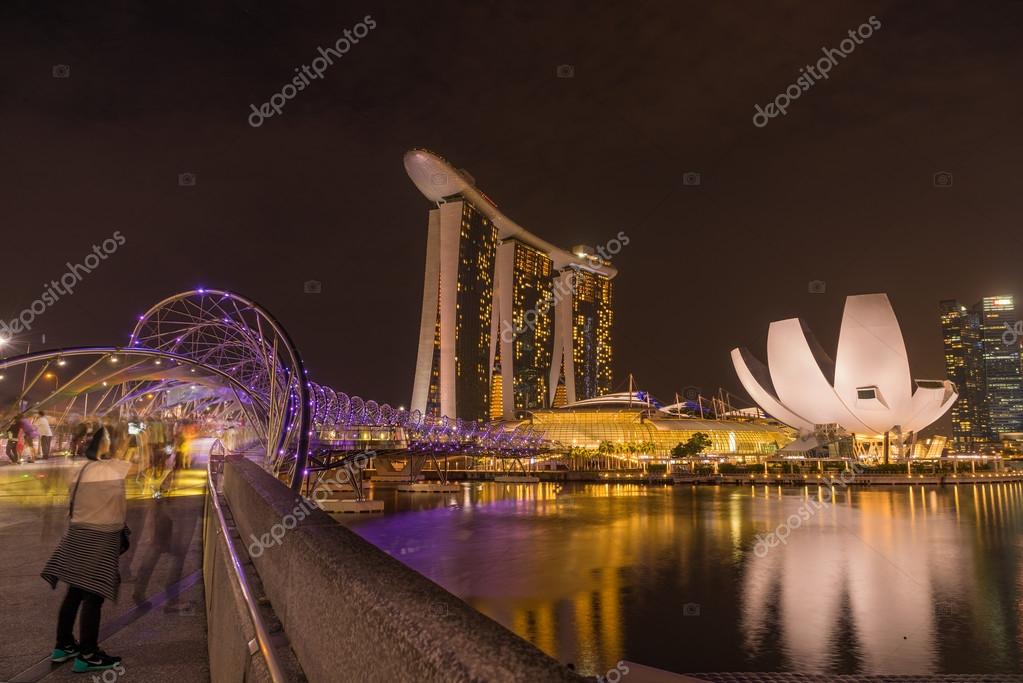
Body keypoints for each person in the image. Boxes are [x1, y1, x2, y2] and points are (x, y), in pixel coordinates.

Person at [41, 423, 129, 673]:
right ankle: (88, 654)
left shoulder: (81, 469)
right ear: (105, 444)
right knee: (94, 595)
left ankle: (64, 645)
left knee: (75, 592)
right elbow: (117, 504)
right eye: (112, 439)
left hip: (78, 534)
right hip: (99, 537)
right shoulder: (108, 469)